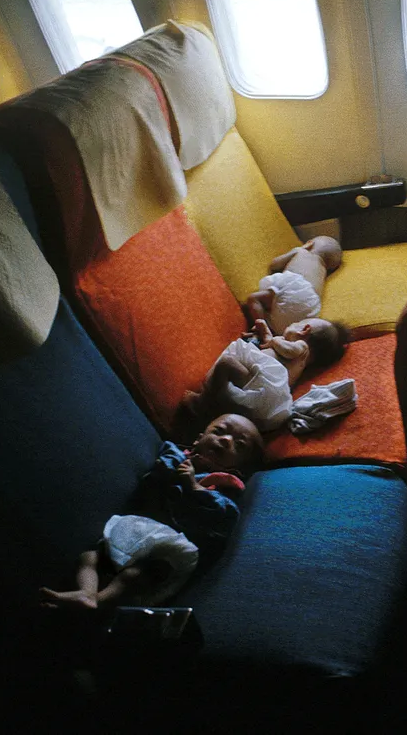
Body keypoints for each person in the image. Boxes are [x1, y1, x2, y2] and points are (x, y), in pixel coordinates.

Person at [39, 413, 262, 611]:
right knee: (89, 556)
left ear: (237, 469)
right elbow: (157, 473)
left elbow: (224, 514)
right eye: (220, 431)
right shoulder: (174, 454)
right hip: (135, 529)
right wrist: (180, 466)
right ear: (198, 438)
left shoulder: (224, 488)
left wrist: (194, 486)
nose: (225, 440)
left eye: (239, 445)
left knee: (133, 576)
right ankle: (86, 592)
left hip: (168, 548)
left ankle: (100, 600)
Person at [180, 316, 350, 434]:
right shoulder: (299, 361)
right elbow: (273, 346)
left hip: (259, 385)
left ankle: (203, 405)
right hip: (263, 398)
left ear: (305, 329)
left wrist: (274, 340)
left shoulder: (301, 347)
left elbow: (285, 348)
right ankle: (220, 413)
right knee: (230, 383)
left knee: (227, 363)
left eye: (297, 322)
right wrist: (266, 333)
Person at [246, 235, 343, 336]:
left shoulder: (301, 251)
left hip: (292, 286)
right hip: (310, 305)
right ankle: (277, 334)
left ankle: (262, 329)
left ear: (309, 244)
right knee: (286, 320)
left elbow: (274, 264)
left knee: (253, 299)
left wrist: (301, 248)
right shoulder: (323, 271)